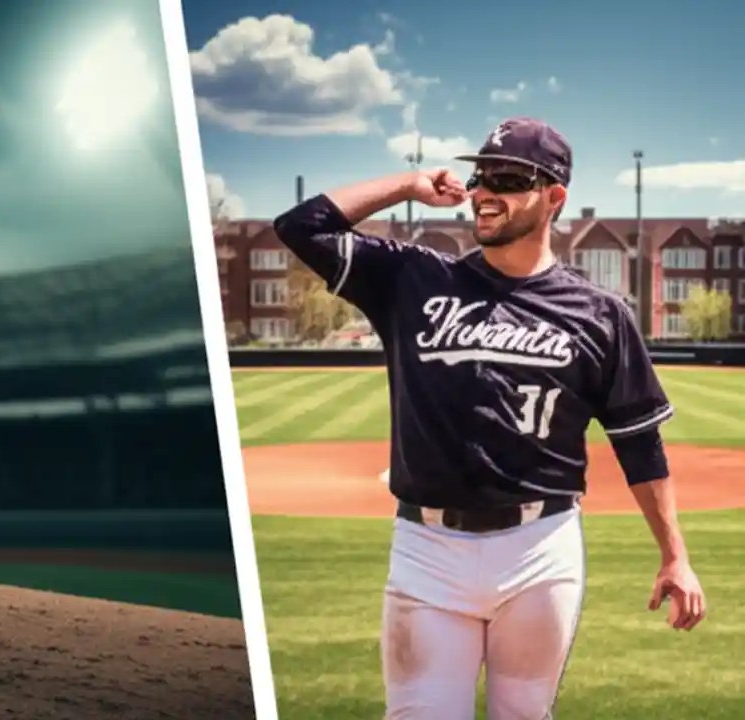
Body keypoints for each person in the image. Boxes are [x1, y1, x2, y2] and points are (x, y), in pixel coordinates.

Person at [272, 116, 707, 719]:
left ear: (554, 197)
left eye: (507, 179)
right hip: (426, 549)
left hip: (540, 549)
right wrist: (409, 184)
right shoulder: (413, 277)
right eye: (481, 176)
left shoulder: (600, 314)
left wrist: (675, 555)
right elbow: (300, 226)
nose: (485, 192)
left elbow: (640, 446)